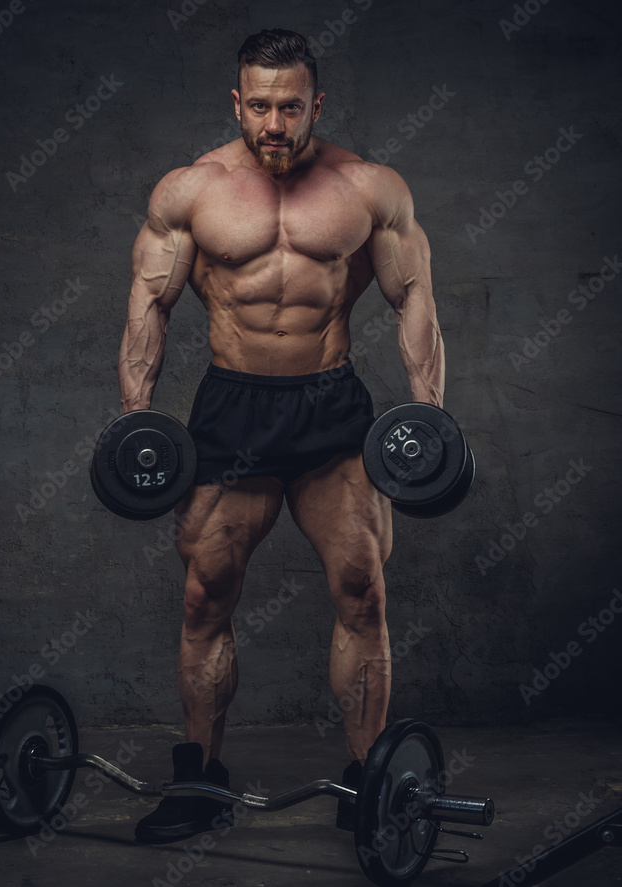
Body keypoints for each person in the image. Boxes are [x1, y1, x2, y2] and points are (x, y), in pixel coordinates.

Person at [117, 28, 444, 843]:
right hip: (233, 409)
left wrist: (428, 415)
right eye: (258, 105)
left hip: (331, 407)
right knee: (204, 596)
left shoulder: (369, 188)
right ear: (237, 102)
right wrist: (135, 426)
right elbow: (147, 308)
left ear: (316, 104)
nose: (274, 122)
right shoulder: (192, 191)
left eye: (290, 106)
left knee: (363, 590)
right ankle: (199, 778)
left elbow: (414, 300)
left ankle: (367, 782)